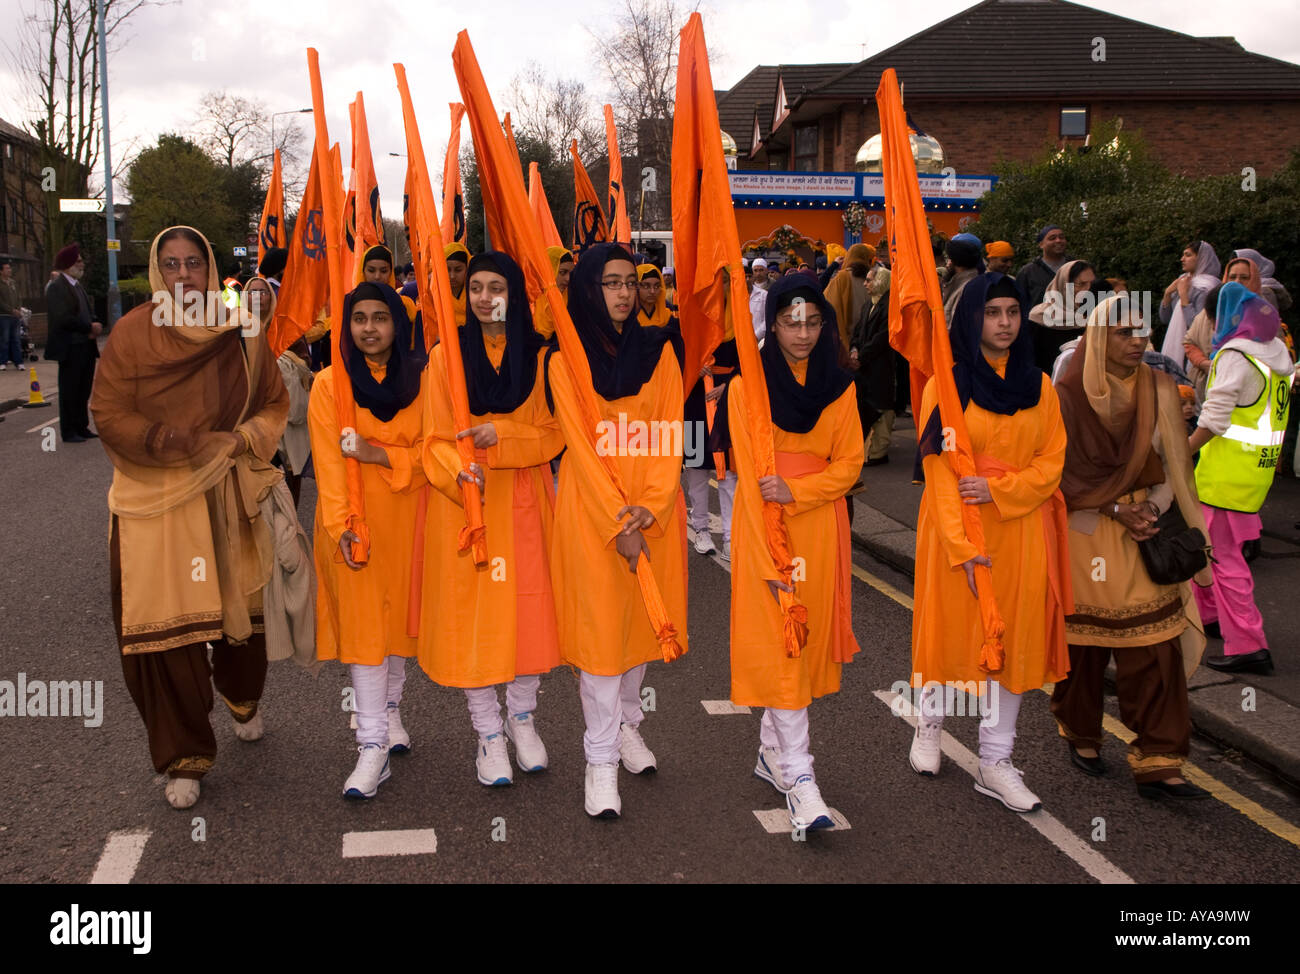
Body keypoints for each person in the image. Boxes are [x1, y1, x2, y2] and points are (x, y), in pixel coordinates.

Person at [89, 225, 289, 810]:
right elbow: (107, 411)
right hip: (151, 502)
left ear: (209, 268)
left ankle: (240, 697)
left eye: (193, 264)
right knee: (163, 635)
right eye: (171, 264)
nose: (183, 276)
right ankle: (185, 756)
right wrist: (176, 441)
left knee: (239, 623)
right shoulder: (131, 334)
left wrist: (241, 439)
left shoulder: (238, 328)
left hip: (225, 492)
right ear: (157, 271)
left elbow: (274, 401)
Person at [908, 273, 1070, 813]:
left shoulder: (1040, 385)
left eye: (1012, 312)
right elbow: (938, 469)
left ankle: (995, 759)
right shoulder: (946, 385)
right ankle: (929, 724)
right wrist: (960, 544)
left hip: (1019, 526)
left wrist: (1002, 490)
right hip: (955, 529)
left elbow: (1051, 461)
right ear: (971, 318)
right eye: (992, 313)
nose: (1004, 323)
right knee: (949, 631)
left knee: (1012, 640)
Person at [1051, 294, 1213, 800]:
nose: (1138, 341)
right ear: (1100, 337)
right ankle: (1082, 733)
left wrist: (1154, 511)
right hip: (1085, 526)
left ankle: (1159, 757)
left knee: (1154, 645)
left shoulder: (1160, 386)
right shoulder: (1067, 392)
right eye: (1124, 333)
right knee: (1086, 644)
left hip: (1145, 525)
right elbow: (1055, 471)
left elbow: (1174, 461)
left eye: (1141, 331)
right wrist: (1116, 510)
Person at [547, 242, 688, 819]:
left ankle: (629, 725)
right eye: (611, 282)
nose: (626, 292)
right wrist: (619, 521)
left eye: (631, 281)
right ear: (587, 288)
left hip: (652, 512)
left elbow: (668, 432)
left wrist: (650, 509)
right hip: (592, 516)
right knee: (604, 641)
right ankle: (599, 759)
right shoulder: (564, 357)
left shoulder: (660, 350)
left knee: (640, 632)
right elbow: (581, 448)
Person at [418, 252, 563, 785]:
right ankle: (488, 734)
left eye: (495, 286)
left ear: (514, 292)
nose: (483, 296)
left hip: (525, 502)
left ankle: (523, 717)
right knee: (474, 621)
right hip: (467, 505)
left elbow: (556, 435)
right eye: (474, 286)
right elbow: (431, 440)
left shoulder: (543, 359)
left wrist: (502, 437)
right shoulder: (445, 359)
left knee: (529, 616)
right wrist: (458, 471)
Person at [723, 275, 862, 831]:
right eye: (790, 322)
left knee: (803, 645)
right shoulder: (746, 388)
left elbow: (849, 464)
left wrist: (800, 490)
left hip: (820, 526)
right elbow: (753, 473)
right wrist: (774, 509)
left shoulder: (842, 386)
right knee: (783, 637)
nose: (802, 334)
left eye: (811, 323)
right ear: (772, 325)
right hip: (764, 526)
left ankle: (769, 750)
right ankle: (800, 776)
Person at [307, 280, 429, 799]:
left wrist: (382, 455)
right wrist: (344, 531)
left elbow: (433, 456)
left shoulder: (424, 379)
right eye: (359, 319)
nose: (370, 329)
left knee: (397, 625)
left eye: (381, 318)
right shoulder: (330, 385)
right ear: (346, 326)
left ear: (397, 326)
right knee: (364, 634)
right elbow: (331, 465)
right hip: (353, 525)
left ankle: (392, 713)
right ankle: (371, 744)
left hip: (410, 517)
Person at [1189, 283, 1293, 675]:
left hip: (1224, 477)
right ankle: (1214, 617)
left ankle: (1247, 644)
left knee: (1223, 561)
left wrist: (1180, 450)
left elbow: (1214, 420)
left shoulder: (1234, 356)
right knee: (1213, 553)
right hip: (1254, 472)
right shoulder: (1276, 354)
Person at [683, 283, 740, 558]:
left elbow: (749, 366)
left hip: (725, 411)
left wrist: (728, 385)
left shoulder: (739, 326)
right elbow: (675, 366)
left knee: (728, 476)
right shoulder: (690, 330)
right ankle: (702, 529)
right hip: (694, 408)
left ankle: (730, 536)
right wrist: (693, 367)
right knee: (696, 474)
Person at [45, 243, 102, 442]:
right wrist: (88, 328)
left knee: (83, 388)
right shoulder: (57, 287)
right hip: (70, 347)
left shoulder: (76, 286)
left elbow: (85, 310)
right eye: (78, 261)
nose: (82, 264)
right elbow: (62, 318)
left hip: (85, 346)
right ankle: (69, 431)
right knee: (70, 389)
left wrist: (94, 322)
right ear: (68, 264)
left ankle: (81, 426)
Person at [850, 266, 895, 466]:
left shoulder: (891, 305)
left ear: (880, 281)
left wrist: (862, 356)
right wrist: (853, 349)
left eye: (869, 280)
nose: (865, 283)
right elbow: (858, 331)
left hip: (882, 364)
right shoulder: (868, 304)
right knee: (868, 405)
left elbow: (883, 337)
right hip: (866, 364)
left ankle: (879, 452)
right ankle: (871, 450)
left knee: (882, 408)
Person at [1029, 259, 1095, 374]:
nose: (1088, 289)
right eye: (1081, 284)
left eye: (1091, 284)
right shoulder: (1038, 317)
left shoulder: (1091, 316)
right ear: (1064, 284)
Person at [1159, 240, 1221, 361]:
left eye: (1188, 255)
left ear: (1202, 258)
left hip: (1195, 352)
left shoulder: (1206, 287)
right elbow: (1165, 319)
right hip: (1178, 344)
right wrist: (1167, 294)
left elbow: (1197, 326)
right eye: (1183, 255)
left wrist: (1183, 296)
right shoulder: (1183, 281)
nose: (1182, 259)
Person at [823, 243, 874, 352]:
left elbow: (829, 305)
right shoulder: (873, 279)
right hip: (869, 339)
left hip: (847, 339)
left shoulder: (843, 277)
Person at [1015, 225, 1070, 308]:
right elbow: (1020, 304)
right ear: (1041, 244)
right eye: (1052, 238)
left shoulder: (1077, 267)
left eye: (1061, 237)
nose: (1058, 240)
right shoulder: (1028, 272)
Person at [533, 245, 574, 339]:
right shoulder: (530, 297)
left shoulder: (571, 299)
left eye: (570, 273)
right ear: (549, 270)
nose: (568, 279)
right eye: (562, 272)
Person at [941, 234, 983, 324]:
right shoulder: (956, 284)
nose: (947, 264)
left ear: (956, 259)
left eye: (949, 258)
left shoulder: (969, 289)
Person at [0, 260, 25, 371]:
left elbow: (19, 297)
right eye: (7, 268)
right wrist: (11, 310)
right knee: (4, 339)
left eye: (10, 268)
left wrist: (18, 309)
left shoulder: (13, 282)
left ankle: (19, 362)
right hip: (4, 315)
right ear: (1, 271)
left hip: (15, 316)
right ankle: (3, 361)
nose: (9, 270)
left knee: (16, 339)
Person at [445, 242, 471, 329]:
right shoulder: (433, 295)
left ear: (467, 269)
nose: (452, 276)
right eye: (448, 270)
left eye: (458, 270)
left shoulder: (477, 294)